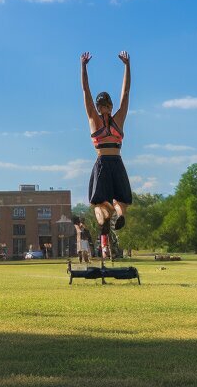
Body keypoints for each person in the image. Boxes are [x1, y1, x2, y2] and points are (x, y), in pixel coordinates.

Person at [81, 51, 133, 260]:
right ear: (110, 106)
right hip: (117, 161)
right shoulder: (118, 119)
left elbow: (85, 90)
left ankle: (103, 222)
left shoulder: (94, 118)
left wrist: (83, 66)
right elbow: (126, 92)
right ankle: (119, 215)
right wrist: (127, 66)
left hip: (102, 162)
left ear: (98, 105)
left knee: (99, 203)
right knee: (122, 201)